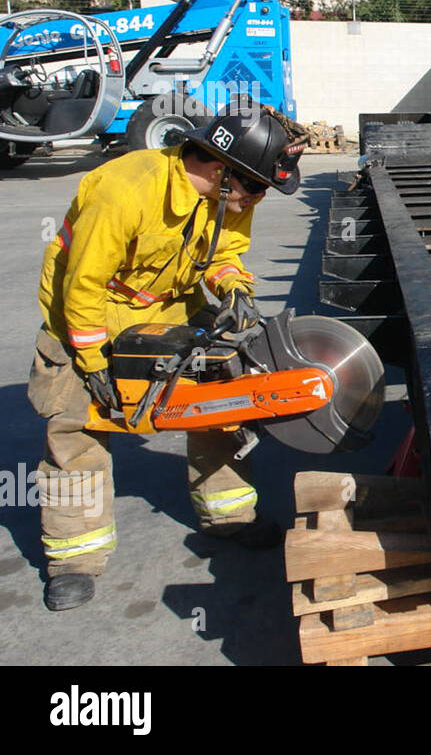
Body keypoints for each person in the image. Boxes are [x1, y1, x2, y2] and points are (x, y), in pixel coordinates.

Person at [29, 104, 308, 610]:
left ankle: (228, 515)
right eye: (259, 187)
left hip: (173, 305)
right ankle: (74, 557)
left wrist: (235, 289)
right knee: (78, 430)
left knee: (222, 406)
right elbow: (83, 284)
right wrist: (91, 362)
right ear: (223, 172)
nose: (260, 198)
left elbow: (224, 254)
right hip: (86, 313)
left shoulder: (232, 197)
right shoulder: (126, 189)